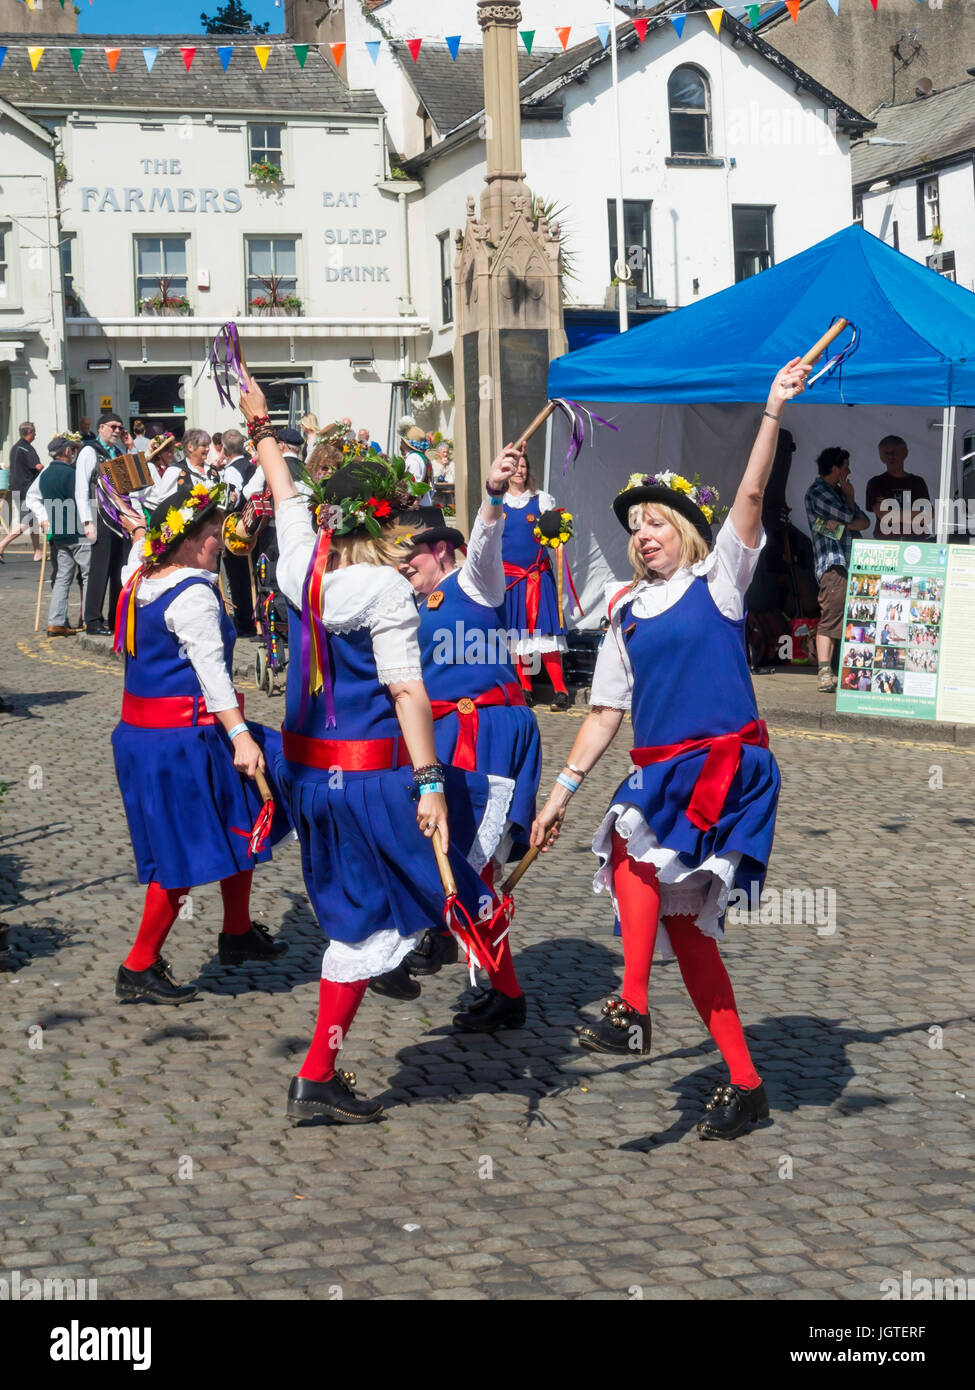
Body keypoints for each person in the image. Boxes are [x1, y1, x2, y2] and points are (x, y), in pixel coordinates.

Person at [531, 360, 811, 1142]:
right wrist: (558, 794)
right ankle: (747, 1084)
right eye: (632, 529)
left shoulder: (718, 580)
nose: (641, 536)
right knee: (688, 937)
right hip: (662, 773)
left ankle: (630, 1009)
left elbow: (751, 497)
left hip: (724, 765)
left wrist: (770, 412)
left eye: (653, 523)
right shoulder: (624, 610)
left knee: (631, 855)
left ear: (683, 530)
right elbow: (603, 712)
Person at [240, 375, 515, 1124]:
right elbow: (405, 692)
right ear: (383, 524)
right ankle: (321, 1070)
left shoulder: (301, 566)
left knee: (367, 917)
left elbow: (285, 495)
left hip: (309, 781)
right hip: (366, 781)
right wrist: (429, 777)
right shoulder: (385, 591)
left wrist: (262, 430)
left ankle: (325, 1067)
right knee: (436, 874)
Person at [110, 478, 291, 1005]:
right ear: (188, 540)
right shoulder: (193, 596)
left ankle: (237, 932)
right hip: (180, 742)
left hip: (149, 737)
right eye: (213, 532)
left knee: (241, 818)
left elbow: (140, 546)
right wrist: (240, 736)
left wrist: (142, 527)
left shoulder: (141, 575)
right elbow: (213, 675)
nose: (220, 539)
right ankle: (137, 967)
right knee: (182, 852)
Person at [382, 451, 543, 1022]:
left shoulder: (475, 581)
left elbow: (487, 542)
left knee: (468, 859)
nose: (404, 565)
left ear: (442, 550)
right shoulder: (404, 602)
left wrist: (494, 495)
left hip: (486, 729)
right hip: (447, 731)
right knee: (440, 847)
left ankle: (489, 981)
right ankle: (479, 969)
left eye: (412, 555)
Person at [501, 450, 570, 710]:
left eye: (523, 467)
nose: (519, 471)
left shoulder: (541, 500)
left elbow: (559, 531)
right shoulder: (498, 503)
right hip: (511, 581)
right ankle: (525, 688)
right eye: (515, 466)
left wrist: (560, 533)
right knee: (518, 636)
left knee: (546, 633)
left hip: (537, 578)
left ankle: (560, 691)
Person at [803, 447, 870, 694]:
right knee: (832, 615)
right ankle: (824, 671)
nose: (849, 472)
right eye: (846, 466)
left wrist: (846, 520)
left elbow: (864, 521)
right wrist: (849, 504)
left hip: (849, 561)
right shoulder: (819, 492)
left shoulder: (837, 492)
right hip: (834, 562)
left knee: (847, 615)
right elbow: (848, 516)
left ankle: (837, 669)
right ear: (835, 469)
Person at [75, 411, 126, 635]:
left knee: (119, 569)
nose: (117, 431)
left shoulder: (119, 451)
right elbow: (81, 488)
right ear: (102, 427)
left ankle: (116, 619)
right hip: (100, 516)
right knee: (99, 570)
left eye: (120, 428)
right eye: (113, 427)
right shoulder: (89, 451)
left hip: (121, 518)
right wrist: (87, 521)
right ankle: (93, 620)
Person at [38, 434, 90, 636]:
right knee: (88, 576)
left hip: (58, 532)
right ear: (67, 451)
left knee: (62, 578)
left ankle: (55, 621)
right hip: (76, 531)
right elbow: (79, 500)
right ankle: (88, 619)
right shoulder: (70, 474)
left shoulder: (44, 475)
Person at [866, 436, 932, 540]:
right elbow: (884, 516)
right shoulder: (876, 483)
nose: (891, 457)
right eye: (886, 453)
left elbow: (927, 515)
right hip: (887, 542)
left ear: (905, 453)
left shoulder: (918, 482)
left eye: (894, 452)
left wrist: (894, 515)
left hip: (917, 542)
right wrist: (914, 515)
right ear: (881, 457)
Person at [0, 422, 43, 562]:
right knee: (27, 521)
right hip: (27, 490)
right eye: (34, 432)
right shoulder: (26, 448)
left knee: (33, 521)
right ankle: (2, 545)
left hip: (18, 488)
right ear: (29, 432)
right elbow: (37, 466)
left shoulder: (15, 448)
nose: (35, 434)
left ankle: (37, 552)